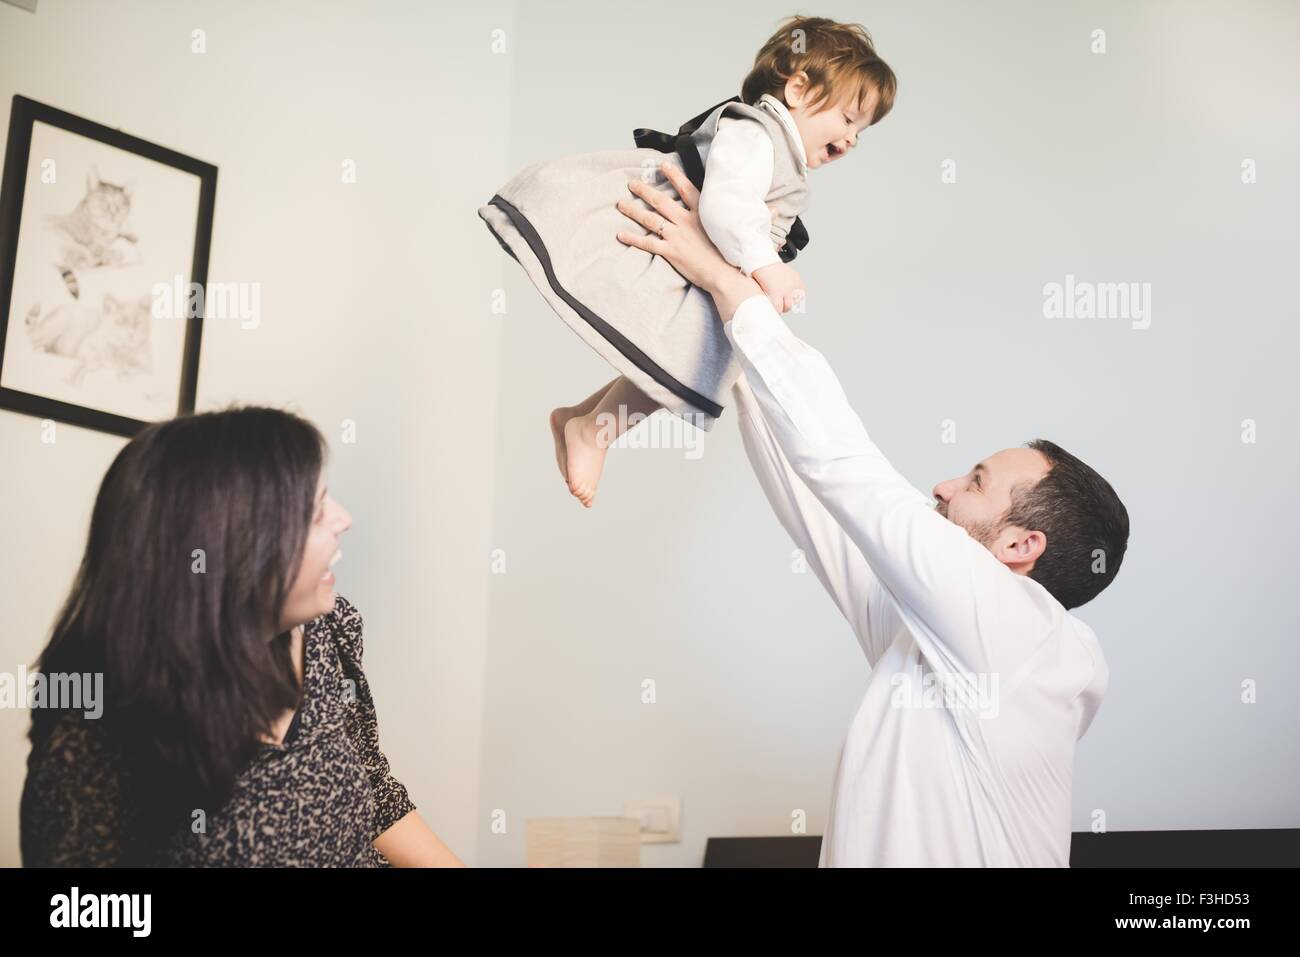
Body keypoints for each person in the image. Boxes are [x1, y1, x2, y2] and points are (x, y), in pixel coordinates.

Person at [615, 161, 1131, 866]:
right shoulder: (937, 644)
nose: (944, 486)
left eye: (976, 480)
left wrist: (729, 285)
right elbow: (821, 500)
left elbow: (851, 469)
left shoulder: (1029, 638)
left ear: (1019, 544)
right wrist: (732, 288)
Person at [480, 15, 896, 506]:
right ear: (800, 90)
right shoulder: (758, 133)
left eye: (861, 133)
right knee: (685, 356)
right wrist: (768, 267)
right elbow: (725, 207)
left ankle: (583, 417)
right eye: (848, 120)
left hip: (701, 258)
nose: (851, 140)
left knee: (673, 353)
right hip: (674, 232)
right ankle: (594, 430)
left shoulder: (779, 150)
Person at [20, 407, 463, 867]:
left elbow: (376, 791)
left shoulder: (329, 632)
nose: (344, 519)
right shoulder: (94, 744)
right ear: (232, 551)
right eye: (315, 513)